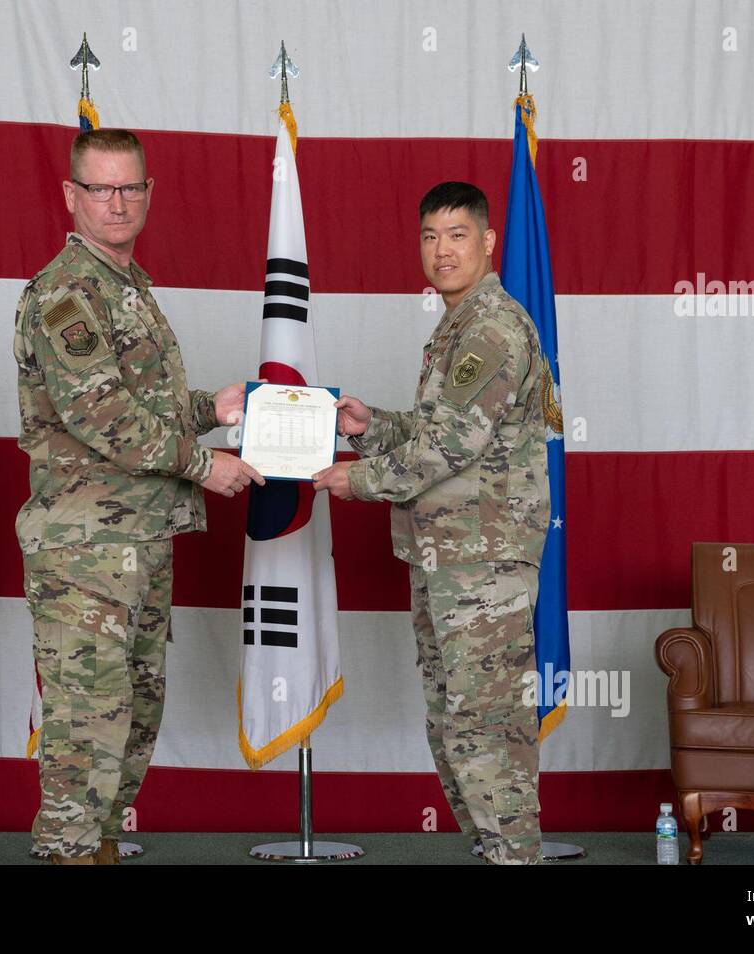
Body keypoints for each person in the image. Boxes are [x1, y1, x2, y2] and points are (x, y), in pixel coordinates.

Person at [15, 127, 262, 865]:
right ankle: (68, 850)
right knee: (86, 723)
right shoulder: (66, 292)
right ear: (72, 196)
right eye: (100, 189)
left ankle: (98, 846)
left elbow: (135, 401)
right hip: (86, 549)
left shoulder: (126, 286)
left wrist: (205, 410)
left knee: (133, 713)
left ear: (149, 194)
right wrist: (202, 464)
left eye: (130, 188)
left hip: (138, 541)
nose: (116, 203)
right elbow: (99, 415)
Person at [313, 182, 551, 864]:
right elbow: (443, 430)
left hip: (482, 565)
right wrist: (372, 427)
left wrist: (353, 478)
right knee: (456, 726)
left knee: (484, 729)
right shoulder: (458, 326)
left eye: (456, 235)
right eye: (429, 236)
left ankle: (514, 859)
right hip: (449, 559)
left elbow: (450, 446)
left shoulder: (491, 329)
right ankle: (495, 854)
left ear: (487, 241)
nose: (442, 250)